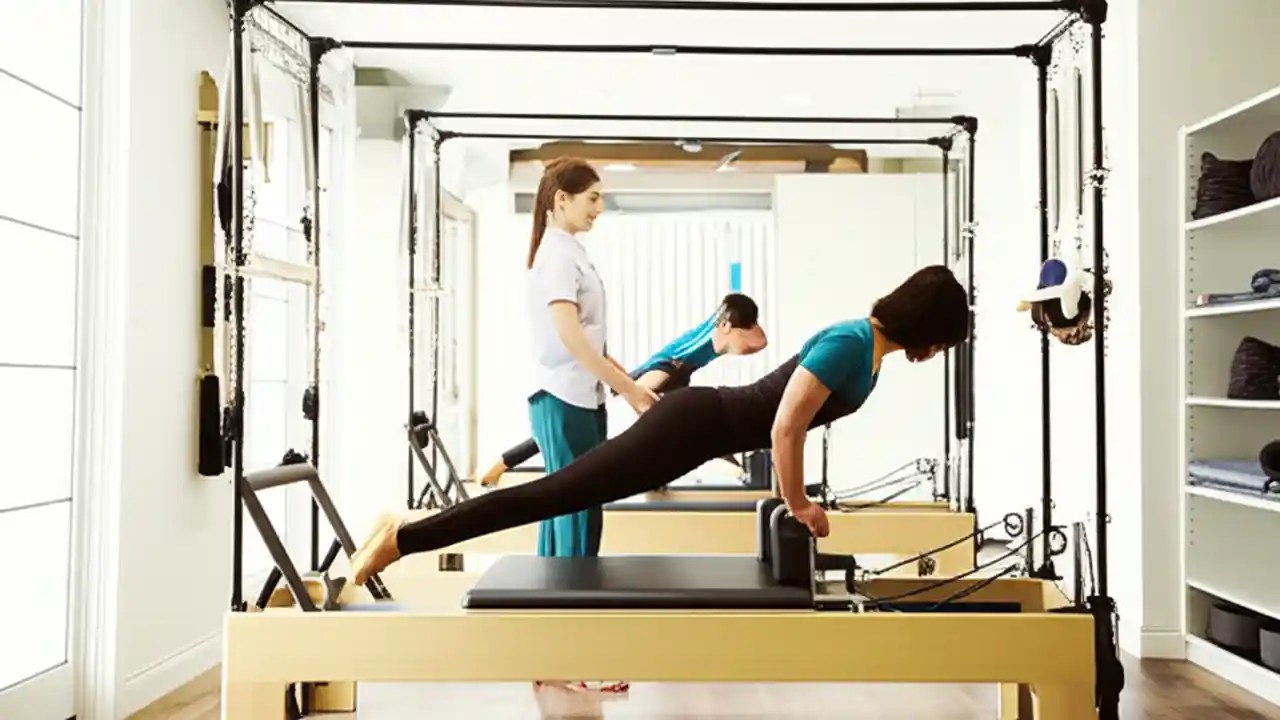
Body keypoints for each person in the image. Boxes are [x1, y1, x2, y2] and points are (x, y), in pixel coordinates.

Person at [350, 264, 970, 586]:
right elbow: (786, 427)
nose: (938, 353)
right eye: (943, 341)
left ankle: (403, 528)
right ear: (928, 329)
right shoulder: (850, 341)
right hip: (692, 424)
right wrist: (799, 502)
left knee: (561, 491)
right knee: (554, 494)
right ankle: (401, 541)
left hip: (697, 435)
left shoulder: (868, 354)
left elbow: (780, 423)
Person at [519, 157, 660, 561]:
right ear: (562, 199)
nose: (599, 208)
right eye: (593, 198)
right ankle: (569, 609)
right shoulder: (558, 255)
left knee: (571, 504)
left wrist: (624, 379)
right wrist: (629, 389)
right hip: (563, 396)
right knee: (574, 506)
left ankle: (559, 604)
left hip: (577, 395)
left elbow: (588, 338)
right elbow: (571, 337)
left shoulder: (568, 251)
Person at [478, 292, 769, 487]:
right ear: (729, 327)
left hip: (667, 374)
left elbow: (760, 341)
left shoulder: (719, 325)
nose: (745, 348)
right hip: (664, 373)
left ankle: (500, 465)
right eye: (745, 332)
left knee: (567, 429)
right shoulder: (684, 358)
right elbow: (641, 398)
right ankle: (500, 465)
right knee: (566, 429)